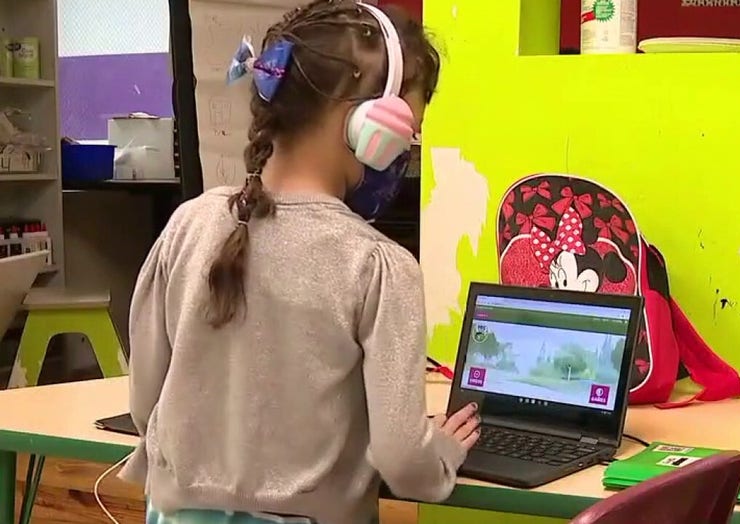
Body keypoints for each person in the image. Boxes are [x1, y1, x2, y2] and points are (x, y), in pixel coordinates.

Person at [119, 2, 480, 523]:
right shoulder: (378, 264)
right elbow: (402, 460)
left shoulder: (187, 225)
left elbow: (143, 406)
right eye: (409, 132)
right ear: (370, 126)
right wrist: (440, 452)